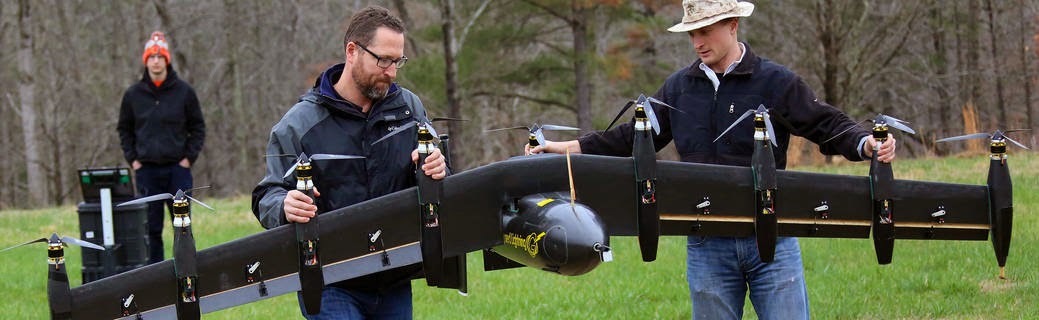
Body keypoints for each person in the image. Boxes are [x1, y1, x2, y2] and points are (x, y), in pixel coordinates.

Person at [528, 1, 898, 319]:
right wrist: (566, 148)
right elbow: (630, 138)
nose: (697, 42)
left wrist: (866, 143)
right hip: (706, 245)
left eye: (705, 31)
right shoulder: (679, 88)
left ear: (732, 25)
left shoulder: (775, 82)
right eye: (692, 33)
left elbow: (824, 123)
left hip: (771, 237)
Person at [251, 6, 446, 320]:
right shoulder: (298, 125)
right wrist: (285, 206)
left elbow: (438, 178)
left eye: (398, 61)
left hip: (394, 276)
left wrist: (437, 168)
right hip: (330, 281)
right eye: (383, 60)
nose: (392, 72)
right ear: (352, 51)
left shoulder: (409, 108)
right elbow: (268, 196)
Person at [117, 31, 206, 265]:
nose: (156, 61)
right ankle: (155, 272)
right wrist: (133, 160)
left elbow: (198, 127)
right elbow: (124, 130)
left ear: (167, 60)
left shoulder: (184, 92)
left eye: (160, 57)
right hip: (146, 171)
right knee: (150, 228)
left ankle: (186, 268)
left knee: (182, 224)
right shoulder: (133, 95)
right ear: (146, 61)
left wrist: (188, 159)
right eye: (151, 57)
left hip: (178, 170)